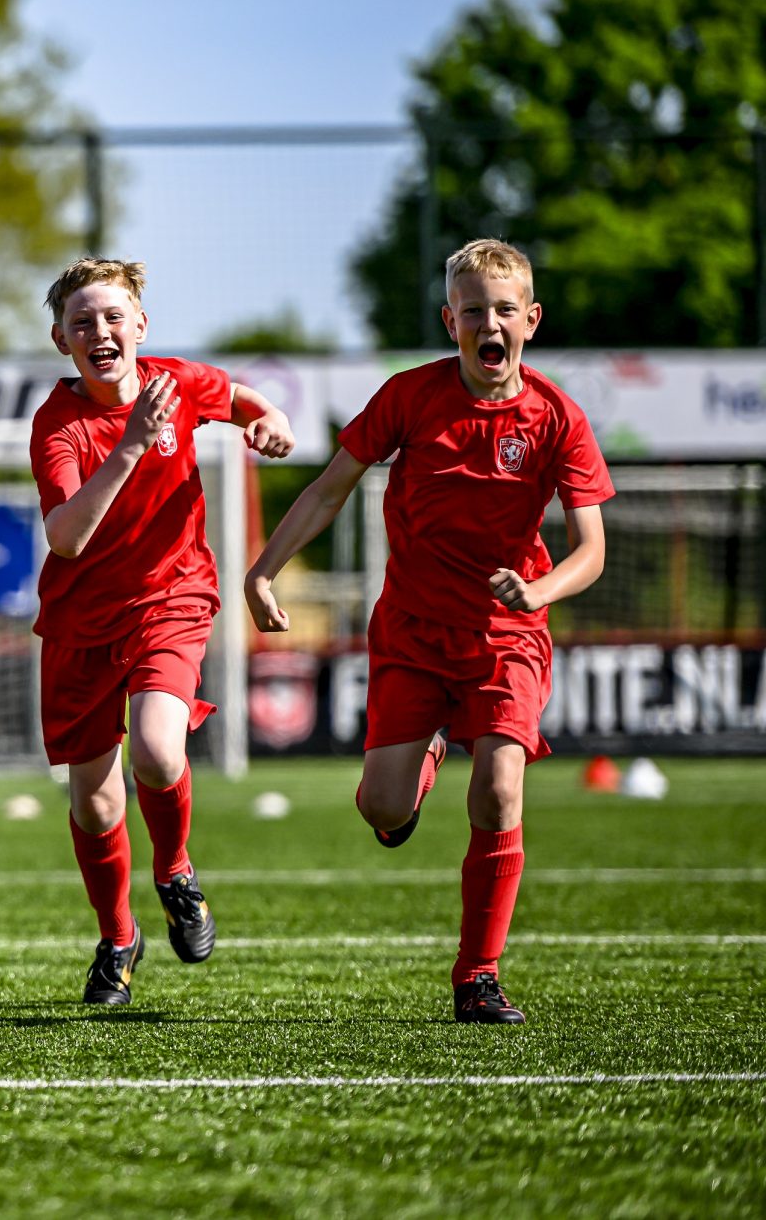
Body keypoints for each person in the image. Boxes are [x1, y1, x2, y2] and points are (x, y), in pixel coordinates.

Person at [245, 238, 611, 1024]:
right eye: (473, 309)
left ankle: (478, 974)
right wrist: (263, 569)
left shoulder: (557, 417)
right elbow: (329, 488)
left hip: (506, 635)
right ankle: (424, 759)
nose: (490, 322)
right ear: (451, 320)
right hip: (410, 631)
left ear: (531, 320)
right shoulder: (409, 397)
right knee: (381, 809)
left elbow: (592, 549)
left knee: (501, 787)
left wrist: (537, 589)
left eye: (505, 309)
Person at [31, 257, 295, 1006]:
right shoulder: (58, 424)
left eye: (113, 316)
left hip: (171, 600)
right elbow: (67, 537)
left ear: (140, 325)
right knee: (95, 803)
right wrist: (131, 444)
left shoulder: (176, 382)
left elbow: (239, 397)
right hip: (82, 622)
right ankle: (119, 936)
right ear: (62, 341)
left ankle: (175, 870)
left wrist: (266, 417)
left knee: (155, 747)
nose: (100, 331)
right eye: (82, 322)